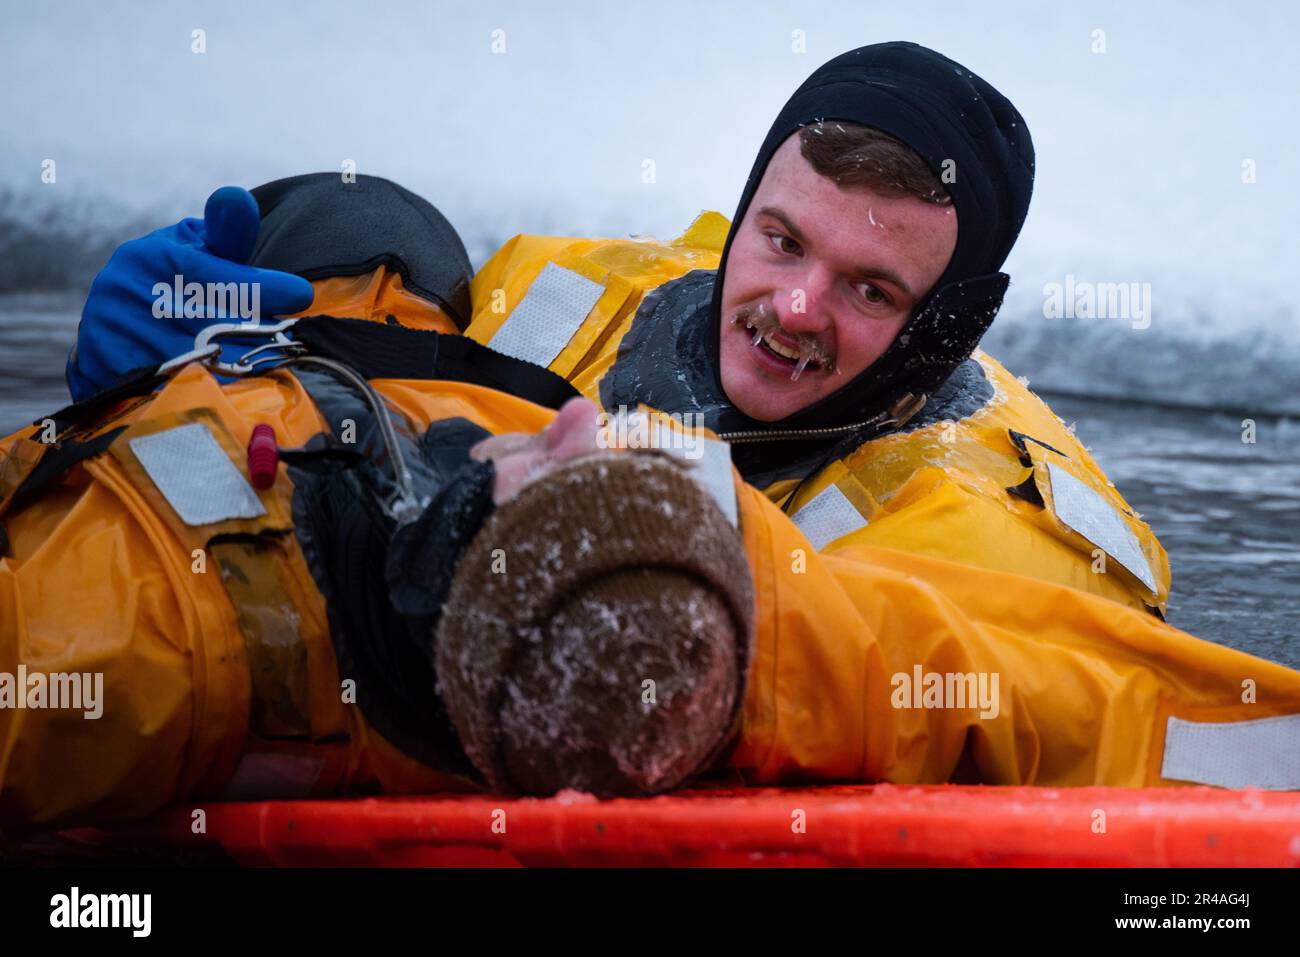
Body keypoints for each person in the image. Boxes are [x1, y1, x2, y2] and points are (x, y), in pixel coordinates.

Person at [3, 315, 1299, 834]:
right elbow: (1008, 692)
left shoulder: (143, 649)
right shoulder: (753, 650)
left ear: (465, 556)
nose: (585, 419)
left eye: (571, 467)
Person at [63, 42, 1170, 620]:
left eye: (870, 291)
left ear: (941, 326)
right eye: (781, 241)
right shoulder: (586, 296)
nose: (792, 309)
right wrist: (182, 365)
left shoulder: (988, 533)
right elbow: (412, 370)